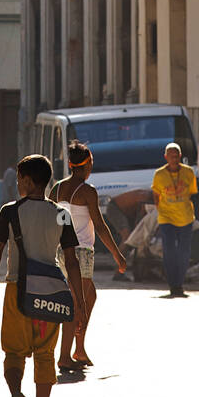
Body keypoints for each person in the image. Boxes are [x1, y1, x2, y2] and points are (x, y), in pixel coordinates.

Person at [0, 154, 87, 397]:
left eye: (18, 180)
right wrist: (78, 301)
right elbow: (72, 260)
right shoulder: (61, 213)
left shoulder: (10, 211)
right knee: (45, 356)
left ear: (27, 180)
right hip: (50, 294)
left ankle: (16, 395)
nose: (17, 184)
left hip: (17, 291)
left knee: (14, 354)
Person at [49, 141, 127, 371]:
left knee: (88, 297)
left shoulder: (56, 189)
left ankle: (79, 348)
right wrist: (118, 255)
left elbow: (54, 222)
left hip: (62, 251)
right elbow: (101, 227)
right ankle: (64, 355)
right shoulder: (87, 191)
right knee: (76, 304)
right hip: (81, 253)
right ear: (86, 165)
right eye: (91, 162)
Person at [151, 142, 198, 298]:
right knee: (169, 252)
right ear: (166, 157)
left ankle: (179, 282)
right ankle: (173, 285)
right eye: (170, 155)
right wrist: (162, 210)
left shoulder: (189, 172)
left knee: (184, 252)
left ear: (180, 156)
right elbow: (156, 195)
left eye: (176, 155)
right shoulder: (159, 174)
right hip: (166, 218)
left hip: (185, 217)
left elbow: (191, 192)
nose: (174, 158)